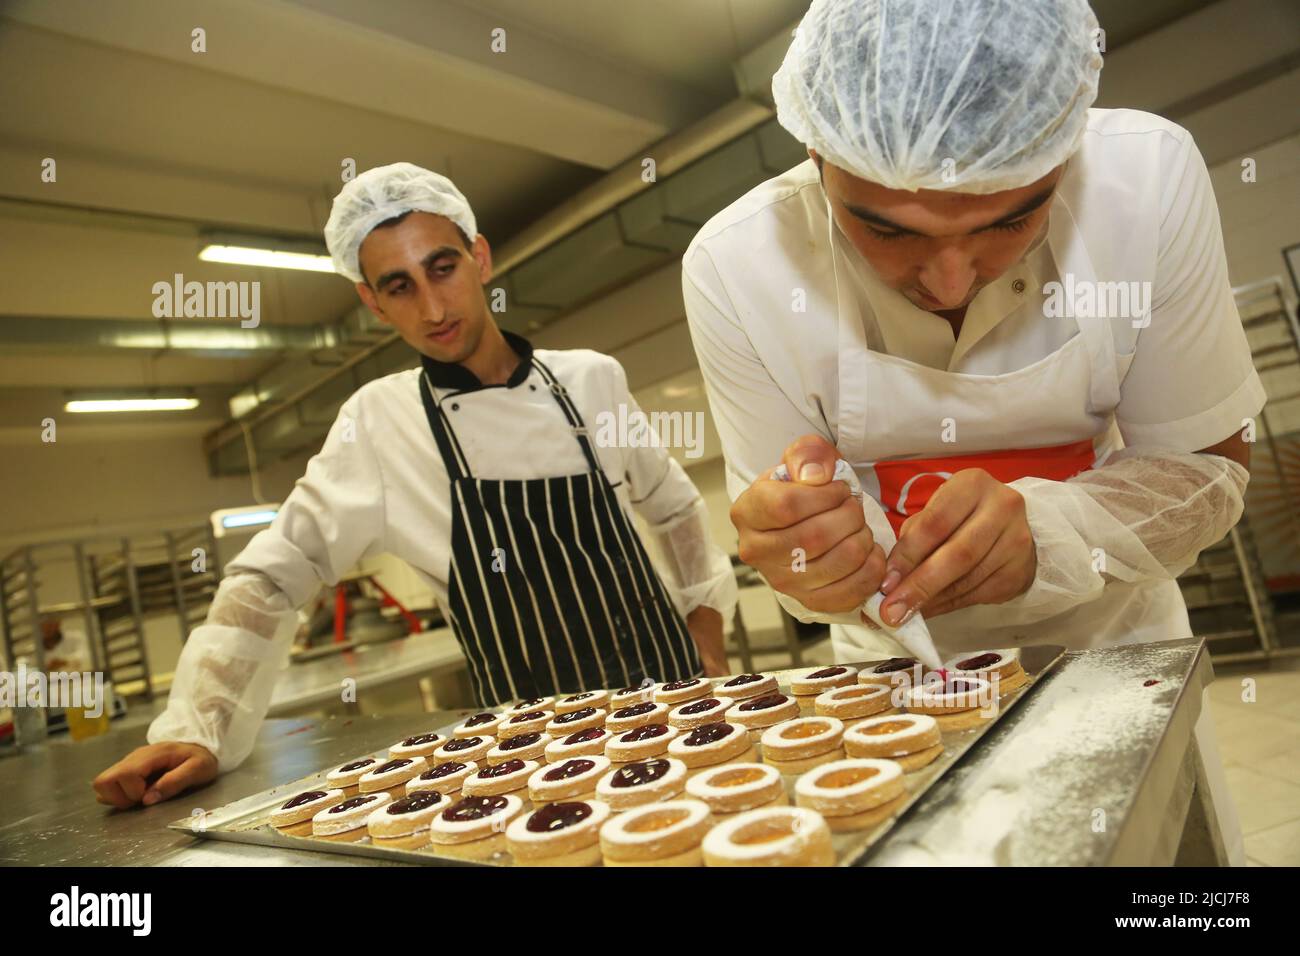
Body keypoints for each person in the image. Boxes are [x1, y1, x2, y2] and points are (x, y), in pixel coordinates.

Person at [683, 0, 1258, 862]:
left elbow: (1209, 468)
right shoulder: (738, 268)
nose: (950, 284)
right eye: (883, 228)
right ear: (814, 154)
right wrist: (810, 555)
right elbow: (791, 549)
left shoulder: (1145, 182)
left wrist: (1054, 533)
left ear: (1066, 153)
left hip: (1116, 647)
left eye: (1010, 221)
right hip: (895, 684)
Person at [93, 163, 737, 809]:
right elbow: (269, 576)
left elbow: (674, 506)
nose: (432, 309)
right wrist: (198, 729)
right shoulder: (381, 423)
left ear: (479, 257)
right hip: (537, 764)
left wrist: (707, 640)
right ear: (371, 302)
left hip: (680, 718)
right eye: (399, 287)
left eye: (443, 268)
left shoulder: (591, 381)